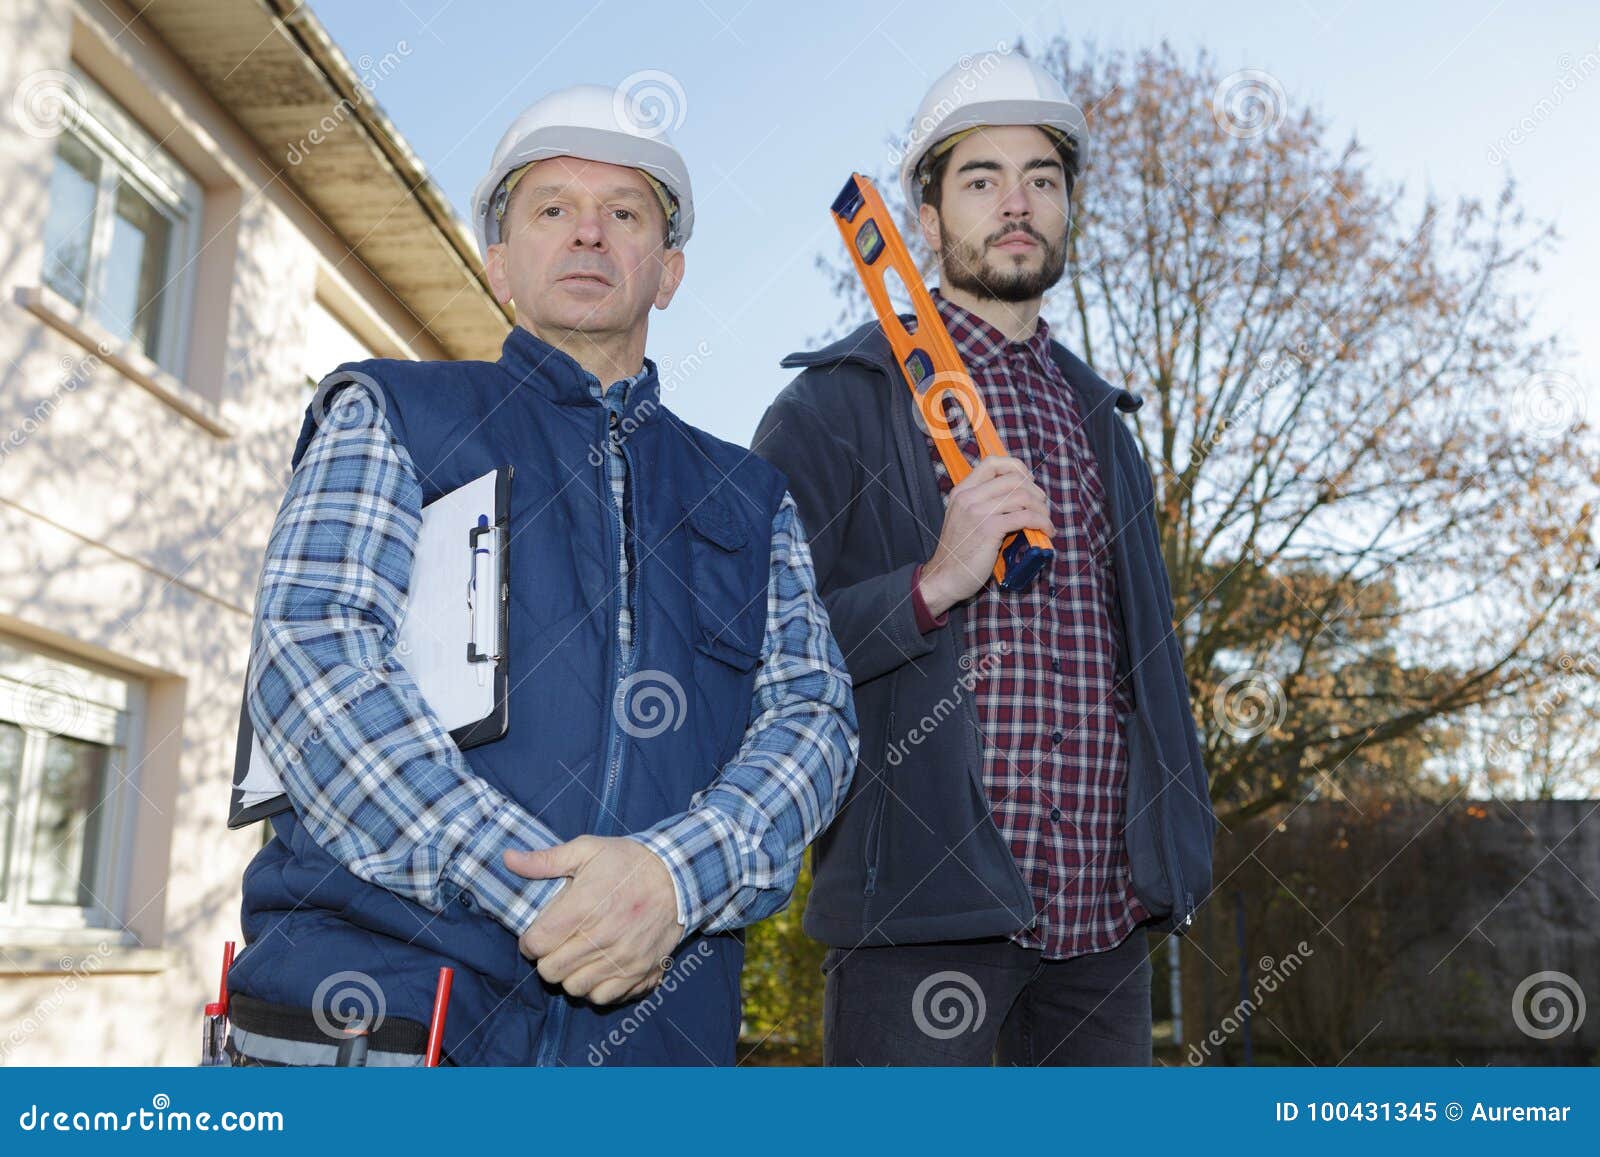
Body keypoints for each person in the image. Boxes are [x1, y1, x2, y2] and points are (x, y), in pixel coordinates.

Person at [226, 83, 857, 1066]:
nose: (588, 234)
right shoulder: (391, 412)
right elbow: (314, 658)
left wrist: (670, 880)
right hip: (385, 1034)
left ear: (669, 270)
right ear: (499, 262)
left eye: (625, 213)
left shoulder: (749, 496)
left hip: (655, 1051)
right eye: (552, 208)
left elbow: (812, 718)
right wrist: (535, 887)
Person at [754, 54, 1215, 1065]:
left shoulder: (1107, 426)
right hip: (920, 918)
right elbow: (754, 643)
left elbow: (1148, 670)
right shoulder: (833, 406)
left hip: (1102, 918)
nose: (1016, 203)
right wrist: (931, 584)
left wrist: (1174, 843)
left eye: (1041, 180)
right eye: (981, 179)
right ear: (924, 218)